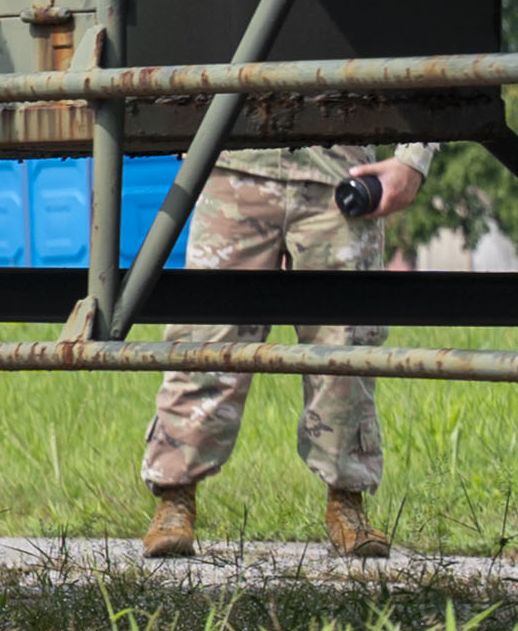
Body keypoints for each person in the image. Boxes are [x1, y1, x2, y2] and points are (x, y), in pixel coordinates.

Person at [141, 143, 422, 559]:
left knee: (345, 345)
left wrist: (415, 160)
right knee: (205, 340)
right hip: (234, 160)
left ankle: (347, 501)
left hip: (340, 169)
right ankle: (174, 499)